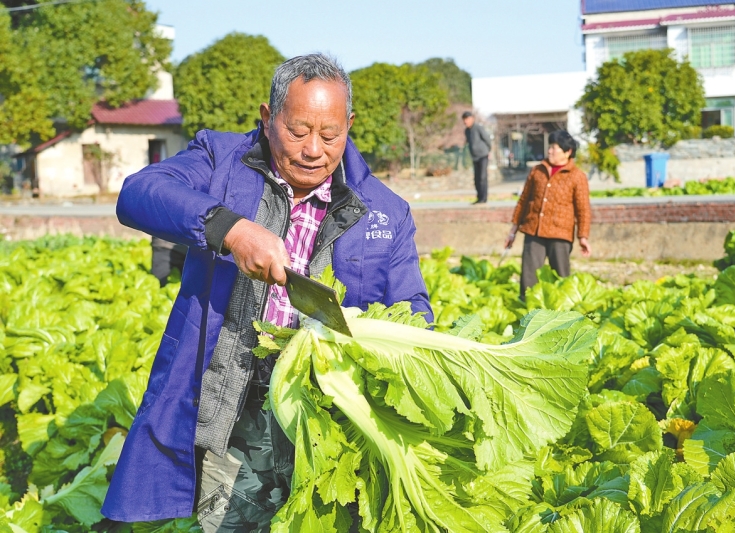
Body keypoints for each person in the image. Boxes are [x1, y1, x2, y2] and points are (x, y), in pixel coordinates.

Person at [101, 54, 432, 531]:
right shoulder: (221, 160)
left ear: (350, 125)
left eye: (330, 134)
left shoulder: (386, 211)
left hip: (331, 418)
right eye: (298, 131)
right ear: (267, 117)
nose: (314, 149)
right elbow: (140, 193)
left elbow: (414, 311)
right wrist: (230, 229)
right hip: (232, 405)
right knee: (224, 521)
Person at [504, 130, 591, 300]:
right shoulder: (537, 171)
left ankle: (564, 317)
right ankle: (526, 312)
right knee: (529, 278)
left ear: (567, 152)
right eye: (550, 147)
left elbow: (583, 209)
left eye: (554, 148)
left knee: (561, 276)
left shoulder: (577, 176)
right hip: (533, 231)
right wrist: (513, 230)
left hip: (560, 233)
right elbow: (523, 201)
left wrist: (583, 236)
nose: (550, 151)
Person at [462, 111, 492, 204]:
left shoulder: (478, 128)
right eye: (464, 120)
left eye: (467, 119)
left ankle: (484, 198)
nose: (465, 121)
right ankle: (479, 197)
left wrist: (489, 151)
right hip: (474, 157)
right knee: (477, 178)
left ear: (472, 119)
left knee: (483, 177)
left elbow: (487, 139)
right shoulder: (467, 131)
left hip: (483, 155)